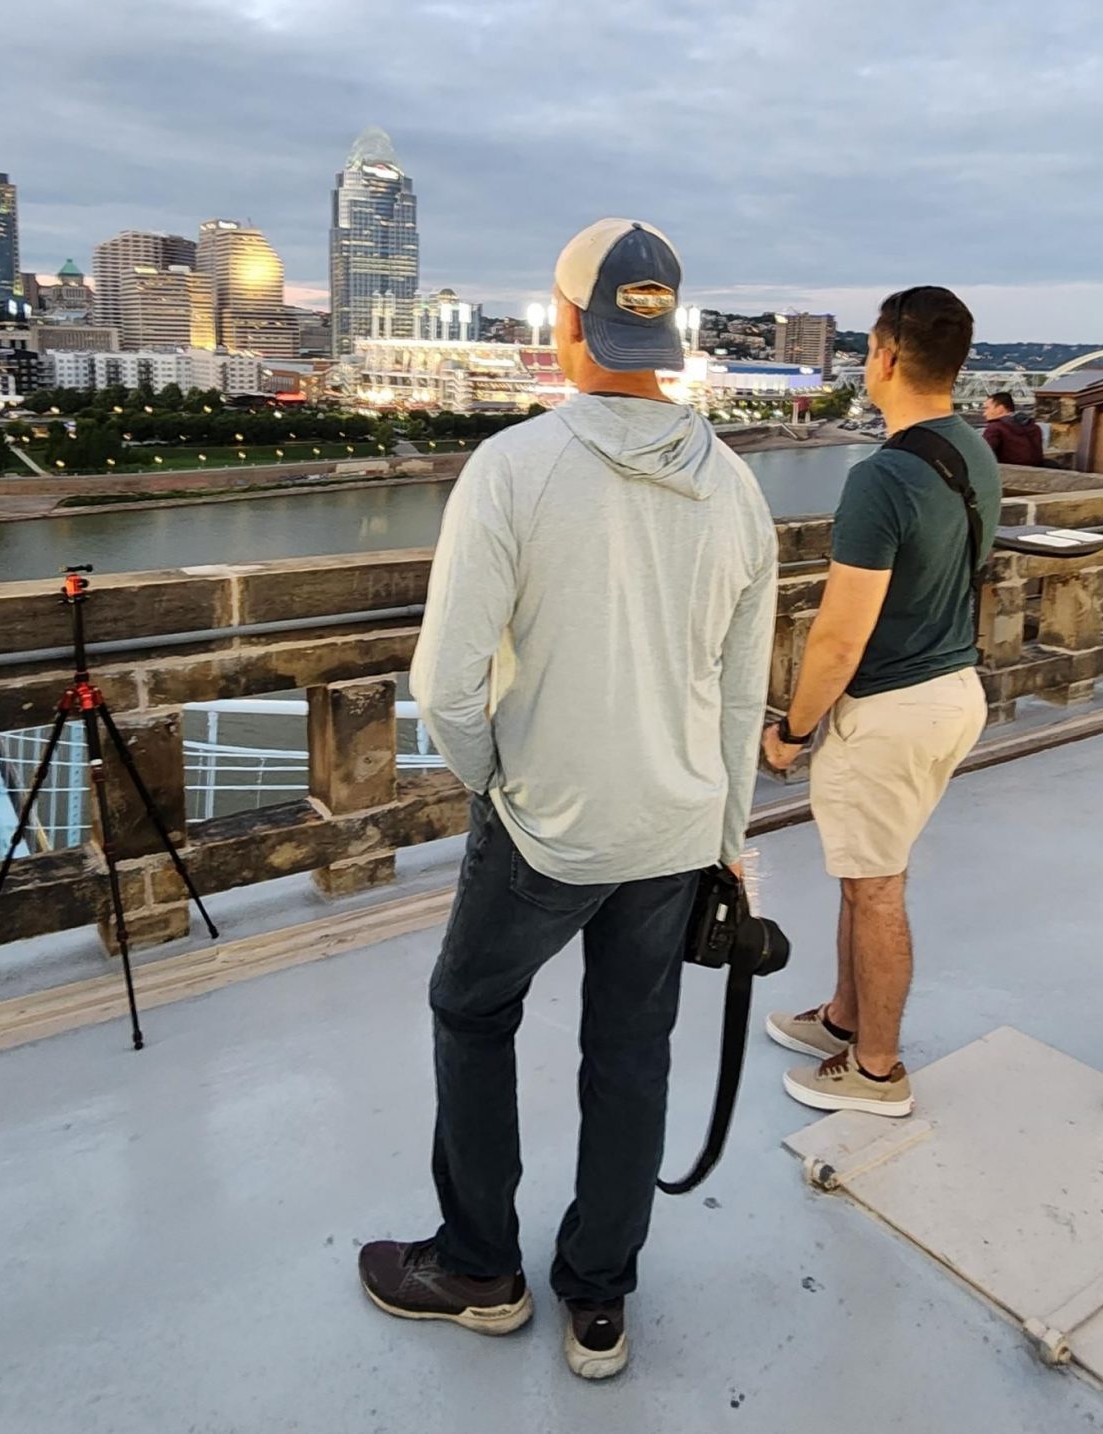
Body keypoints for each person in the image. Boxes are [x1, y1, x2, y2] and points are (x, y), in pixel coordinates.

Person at [358, 218, 777, 1381]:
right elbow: (742, 694)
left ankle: (480, 1265)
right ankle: (598, 1299)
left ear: (565, 321)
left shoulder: (515, 467)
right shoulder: (736, 489)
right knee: (631, 1053)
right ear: (667, 327)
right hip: (679, 820)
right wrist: (727, 838)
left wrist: (495, 778)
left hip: (548, 819)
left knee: (471, 1009)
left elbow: (444, 684)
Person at [760, 286, 999, 1117]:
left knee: (877, 888)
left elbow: (837, 638)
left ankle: (877, 1068)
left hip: (890, 711)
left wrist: (792, 728)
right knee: (866, 876)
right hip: (953, 690)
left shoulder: (882, 478)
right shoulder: (972, 449)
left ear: (887, 359)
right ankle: (843, 1018)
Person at [981, 389, 1045, 466]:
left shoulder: (995, 428)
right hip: (1037, 471)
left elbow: (983, 453)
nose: (984, 413)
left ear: (1000, 409)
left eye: (987, 408)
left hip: (1009, 474)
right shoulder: (1033, 427)